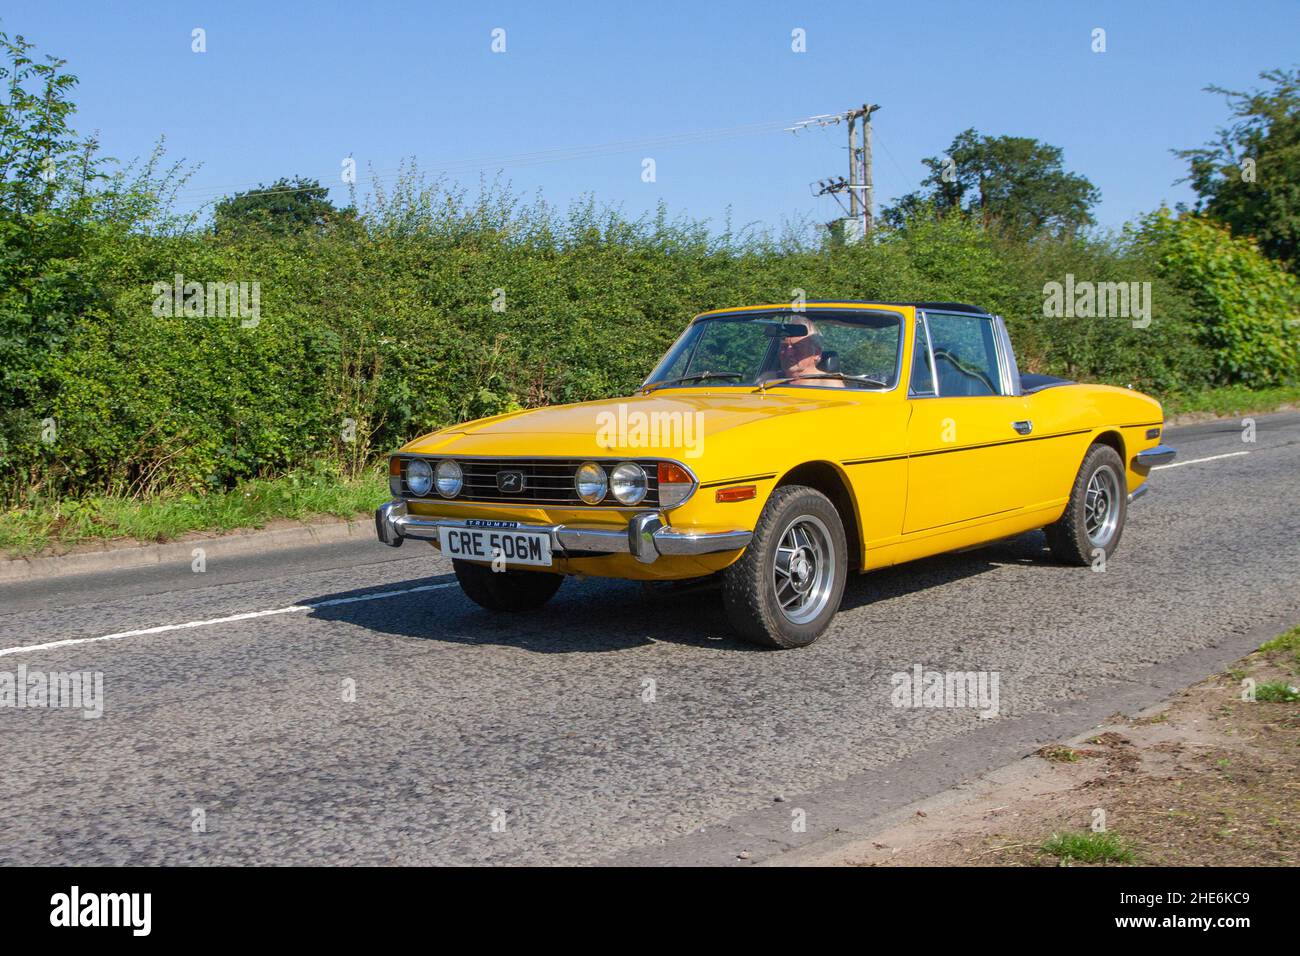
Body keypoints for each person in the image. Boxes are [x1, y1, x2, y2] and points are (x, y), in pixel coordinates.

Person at [765, 318, 845, 387]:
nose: (789, 353)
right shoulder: (769, 379)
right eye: (784, 346)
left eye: (797, 347)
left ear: (816, 353)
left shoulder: (829, 384)